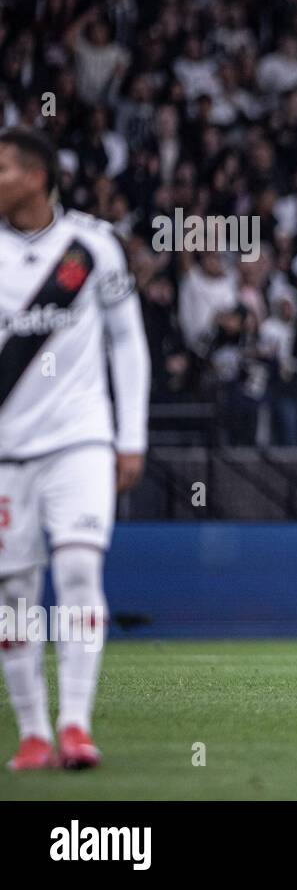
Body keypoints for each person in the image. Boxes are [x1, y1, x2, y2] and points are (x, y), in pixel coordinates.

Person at [0, 127, 150, 770]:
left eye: (3, 166)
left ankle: (75, 725)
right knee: (14, 596)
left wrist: (130, 436)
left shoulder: (92, 245)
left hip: (81, 440)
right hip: (6, 450)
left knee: (81, 571)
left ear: (36, 176)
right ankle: (32, 731)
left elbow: (127, 340)